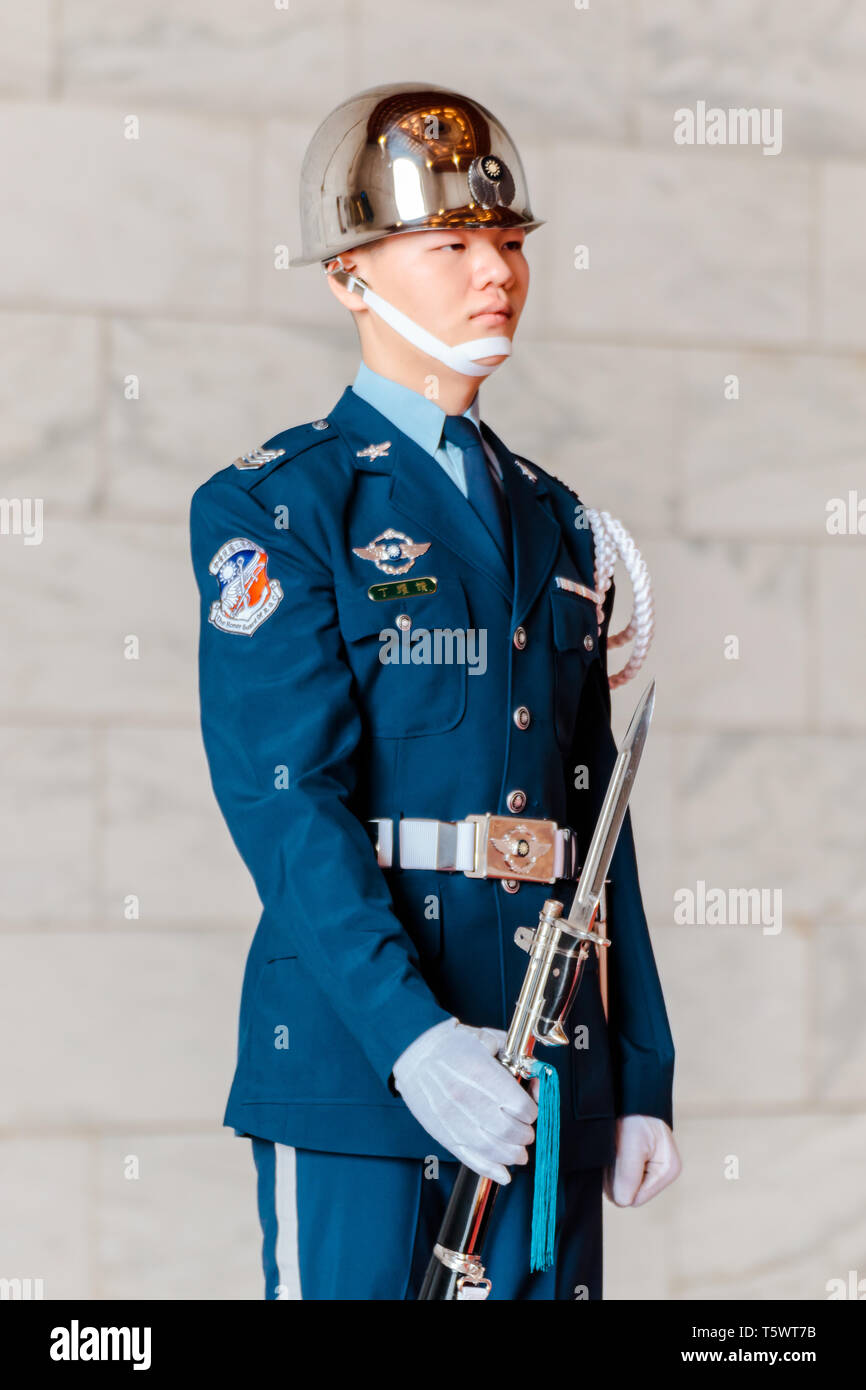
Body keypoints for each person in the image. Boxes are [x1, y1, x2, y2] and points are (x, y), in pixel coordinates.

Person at [189, 82, 681, 1302]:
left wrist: (635, 1067)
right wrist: (411, 1042)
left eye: (508, 244)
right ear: (348, 274)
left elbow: (595, 819)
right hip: (361, 1063)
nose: (494, 273)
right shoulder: (282, 506)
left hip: (544, 1071)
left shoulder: (560, 522)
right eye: (450, 243)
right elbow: (286, 805)